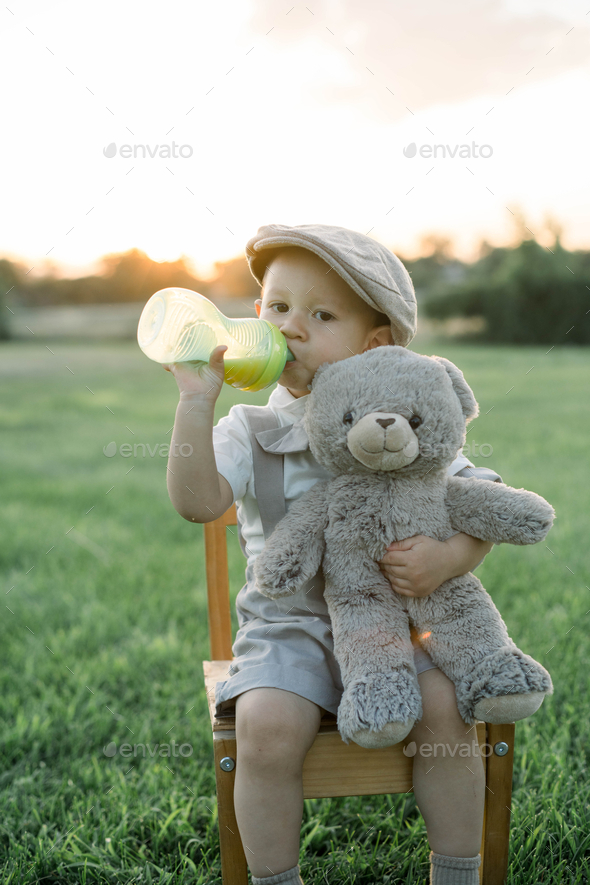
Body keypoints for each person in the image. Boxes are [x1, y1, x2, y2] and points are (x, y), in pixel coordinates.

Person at [164, 224, 499, 885]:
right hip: (287, 626)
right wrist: (195, 405)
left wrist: (448, 557)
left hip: (400, 625)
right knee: (264, 724)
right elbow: (197, 502)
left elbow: (480, 504)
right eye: (278, 307)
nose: (290, 328)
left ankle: (457, 873)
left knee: (448, 710)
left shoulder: (404, 426)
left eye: (320, 315)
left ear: (373, 344)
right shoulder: (251, 429)